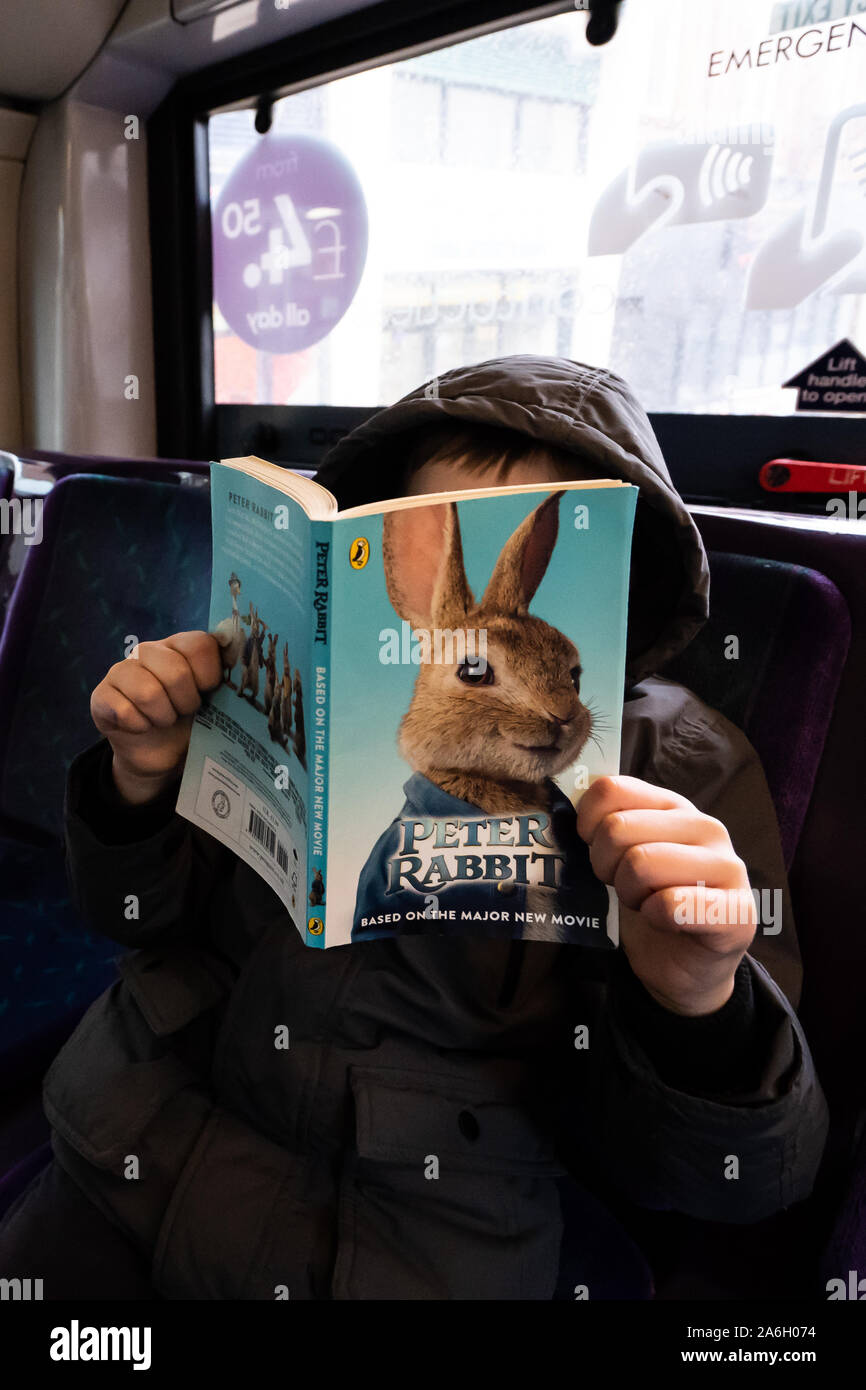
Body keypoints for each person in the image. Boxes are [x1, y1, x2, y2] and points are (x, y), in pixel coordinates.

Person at [0, 355, 828, 1300]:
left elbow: (745, 1174)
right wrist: (136, 786)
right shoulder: (279, 677)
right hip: (129, 1146)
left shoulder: (683, 764)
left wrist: (699, 1000)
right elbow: (135, 916)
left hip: (414, 1241)